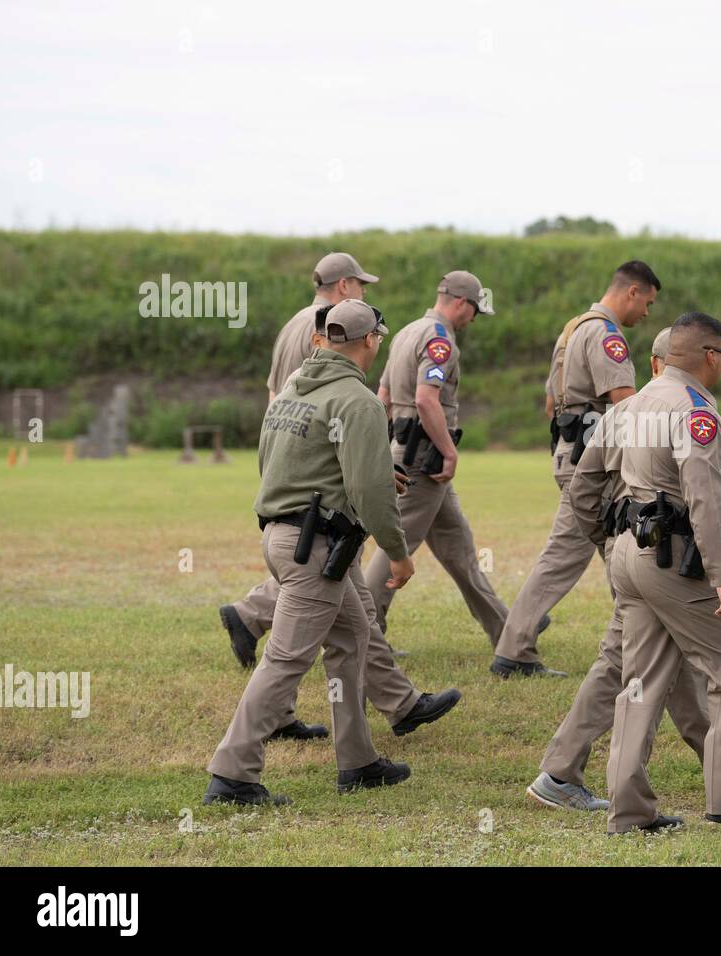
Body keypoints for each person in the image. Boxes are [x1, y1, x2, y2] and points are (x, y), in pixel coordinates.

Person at [526, 327, 721, 812]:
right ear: (710, 356)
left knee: (630, 673)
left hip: (630, 554)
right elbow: (703, 498)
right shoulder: (693, 411)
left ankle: (621, 804)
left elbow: (582, 490)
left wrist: (611, 539)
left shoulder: (625, 409)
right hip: (671, 561)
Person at [205, 299, 416, 805]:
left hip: (285, 538)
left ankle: (358, 761)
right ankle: (232, 775)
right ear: (371, 341)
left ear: (324, 338)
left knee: (352, 638)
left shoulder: (294, 388)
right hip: (318, 548)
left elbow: (280, 460)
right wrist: (399, 552)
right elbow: (370, 494)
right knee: (284, 660)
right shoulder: (358, 401)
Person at [490, 261, 660, 678]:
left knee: (612, 548)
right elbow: (624, 404)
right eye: (649, 302)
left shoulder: (572, 330)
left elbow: (551, 404)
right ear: (632, 292)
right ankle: (514, 651)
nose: (648, 314)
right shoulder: (606, 335)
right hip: (596, 463)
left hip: (572, 452)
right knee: (570, 555)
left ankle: (638, 639)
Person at [363, 271, 519, 647]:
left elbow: (382, 396)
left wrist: (384, 448)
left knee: (458, 546)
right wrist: (449, 451)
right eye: (475, 311)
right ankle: (365, 631)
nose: (473, 319)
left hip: (408, 452)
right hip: (424, 460)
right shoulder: (439, 341)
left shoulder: (405, 333)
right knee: (397, 546)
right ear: (461, 303)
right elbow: (425, 398)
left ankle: (508, 630)